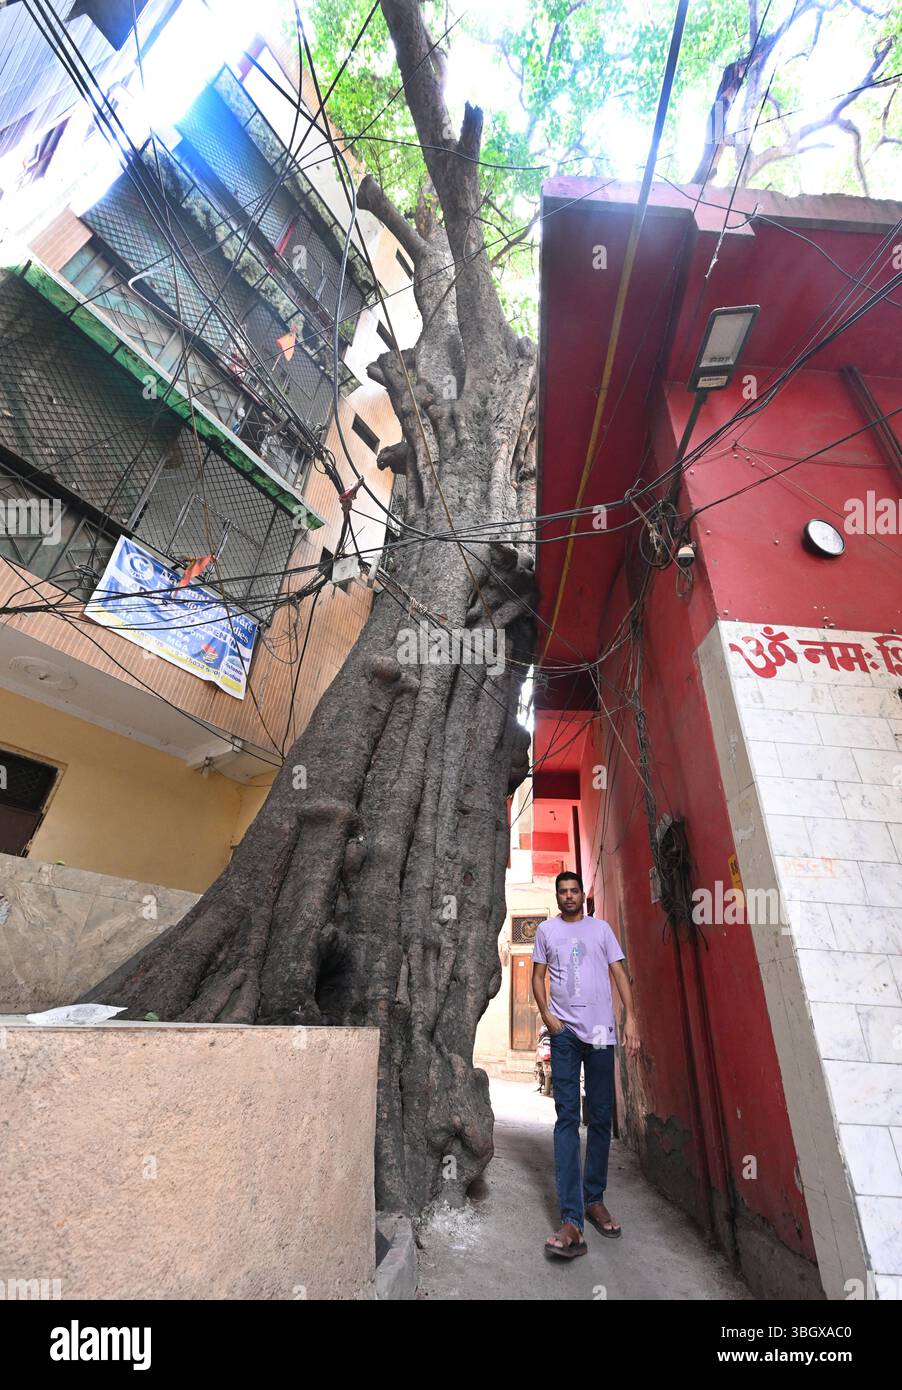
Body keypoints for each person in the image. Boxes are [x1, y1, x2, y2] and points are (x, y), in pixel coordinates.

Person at [531, 870, 640, 1259]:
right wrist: (548, 1017)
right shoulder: (546, 932)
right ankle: (572, 1220)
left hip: (600, 1034)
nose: (569, 896)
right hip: (564, 1036)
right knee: (566, 1119)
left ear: (582, 896)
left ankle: (594, 1200)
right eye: (563, 892)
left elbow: (619, 973)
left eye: (574, 890)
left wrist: (631, 1018)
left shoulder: (601, 930)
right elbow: (538, 977)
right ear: (557, 897)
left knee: (600, 1117)